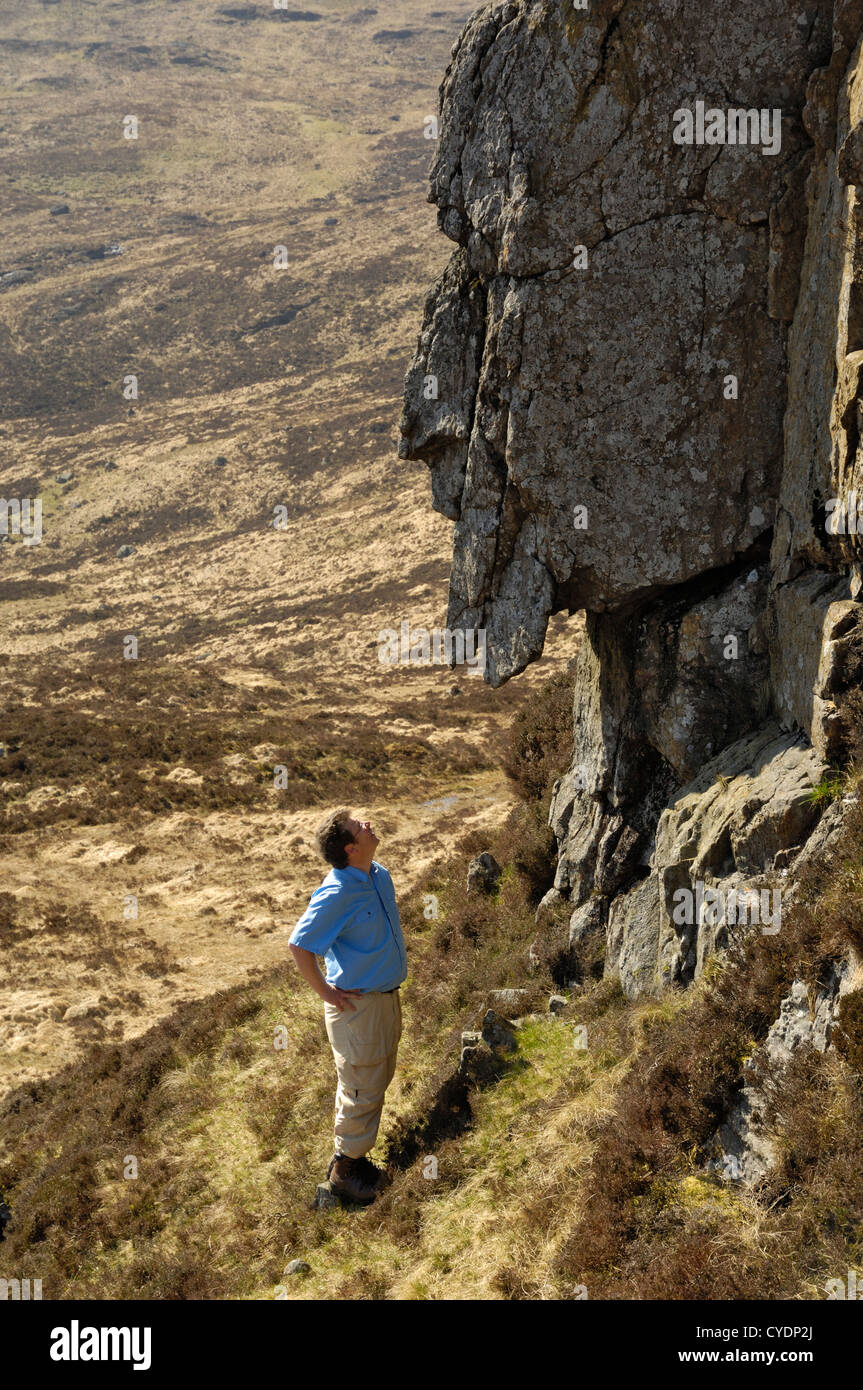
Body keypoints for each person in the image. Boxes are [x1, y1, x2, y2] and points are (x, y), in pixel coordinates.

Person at [288, 808, 407, 1205]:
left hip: (384, 1000)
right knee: (361, 1086)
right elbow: (300, 945)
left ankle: (356, 1160)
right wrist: (328, 994)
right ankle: (344, 1172)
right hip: (358, 1008)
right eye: (360, 826)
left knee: (377, 1078)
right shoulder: (337, 892)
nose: (369, 823)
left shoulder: (378, 875)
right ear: (350, 847)